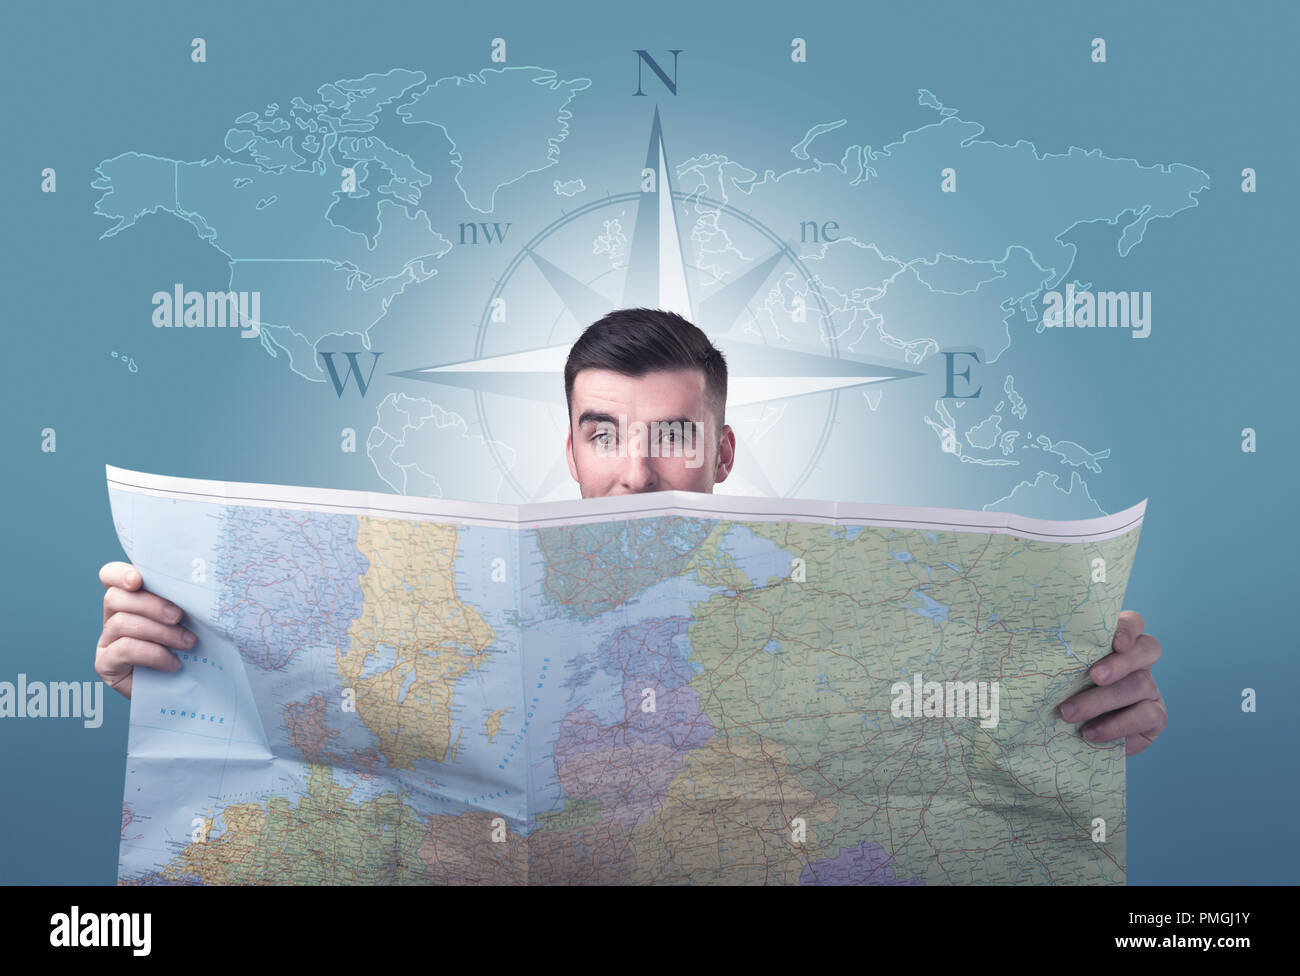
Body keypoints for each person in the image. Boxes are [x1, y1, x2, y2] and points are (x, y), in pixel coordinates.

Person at [96, 307, 1168, 755]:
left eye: (669, 435)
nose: (633, 470)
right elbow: (349, 725)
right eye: (602, 433)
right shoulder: (458, 608)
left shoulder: (830, 605)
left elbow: (951, 721)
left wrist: (1072, 685)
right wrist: (189, 675)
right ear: (570, 450)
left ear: (721, 455)